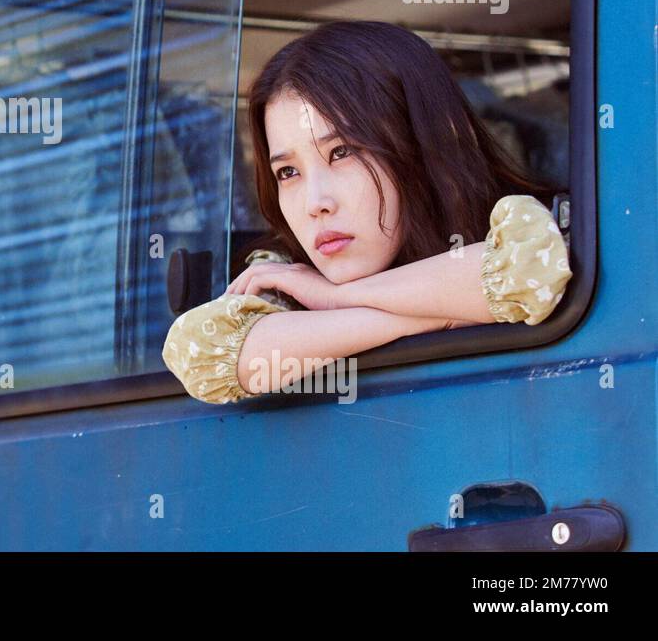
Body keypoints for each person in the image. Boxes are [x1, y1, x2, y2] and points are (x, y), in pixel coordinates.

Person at [161, 20, 572, 403]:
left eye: (341, 152)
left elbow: (529, 273)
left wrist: (338, 298)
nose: (314, 202)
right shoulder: (288, 272)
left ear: (421, 144)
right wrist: (437, 315)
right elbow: (200, 354)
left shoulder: (521, 228)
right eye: (288, 172)